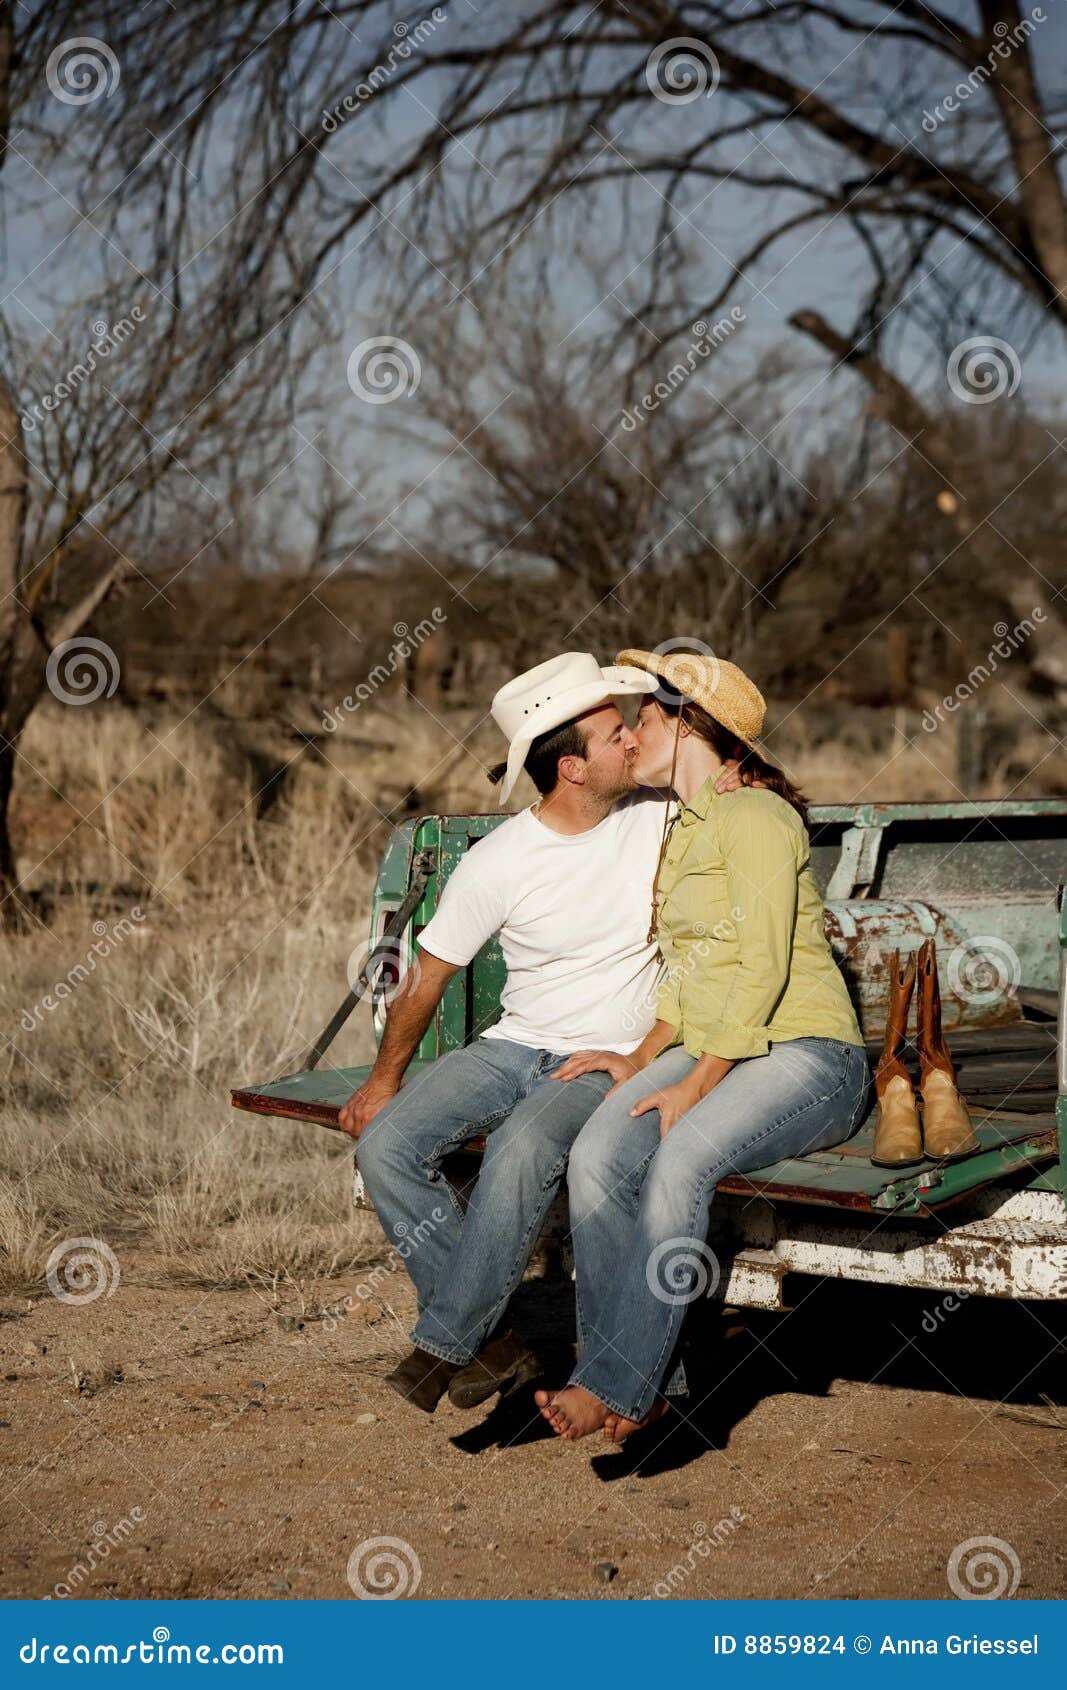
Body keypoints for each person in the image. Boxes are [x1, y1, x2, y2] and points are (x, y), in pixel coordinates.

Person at [337, 651, 744, 1415]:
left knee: (523, 1149)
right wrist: (384, 1079)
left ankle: (447, 1343)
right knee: (384, 1144)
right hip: (510, 1046)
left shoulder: (662, 815)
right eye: (612, 733)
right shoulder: (499, 859)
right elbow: (427, 977)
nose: (631, 740)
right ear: (572, 770)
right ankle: (493, 1344)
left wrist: (731, 771)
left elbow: (726, 761)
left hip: (605, 1058)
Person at [537, 648, 870, 1443]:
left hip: (809, 1053)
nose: (630, 732)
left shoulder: (757, 816)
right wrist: (643, 1056)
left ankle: (617, 1380)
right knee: (596, 1153)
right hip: (727, 1044)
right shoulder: (689, 825)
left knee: (681, 1154)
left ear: (686, 720)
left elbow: (758, 966)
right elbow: (686, 975)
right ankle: (648, 1376)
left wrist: (695, 1085)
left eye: (644, 716)